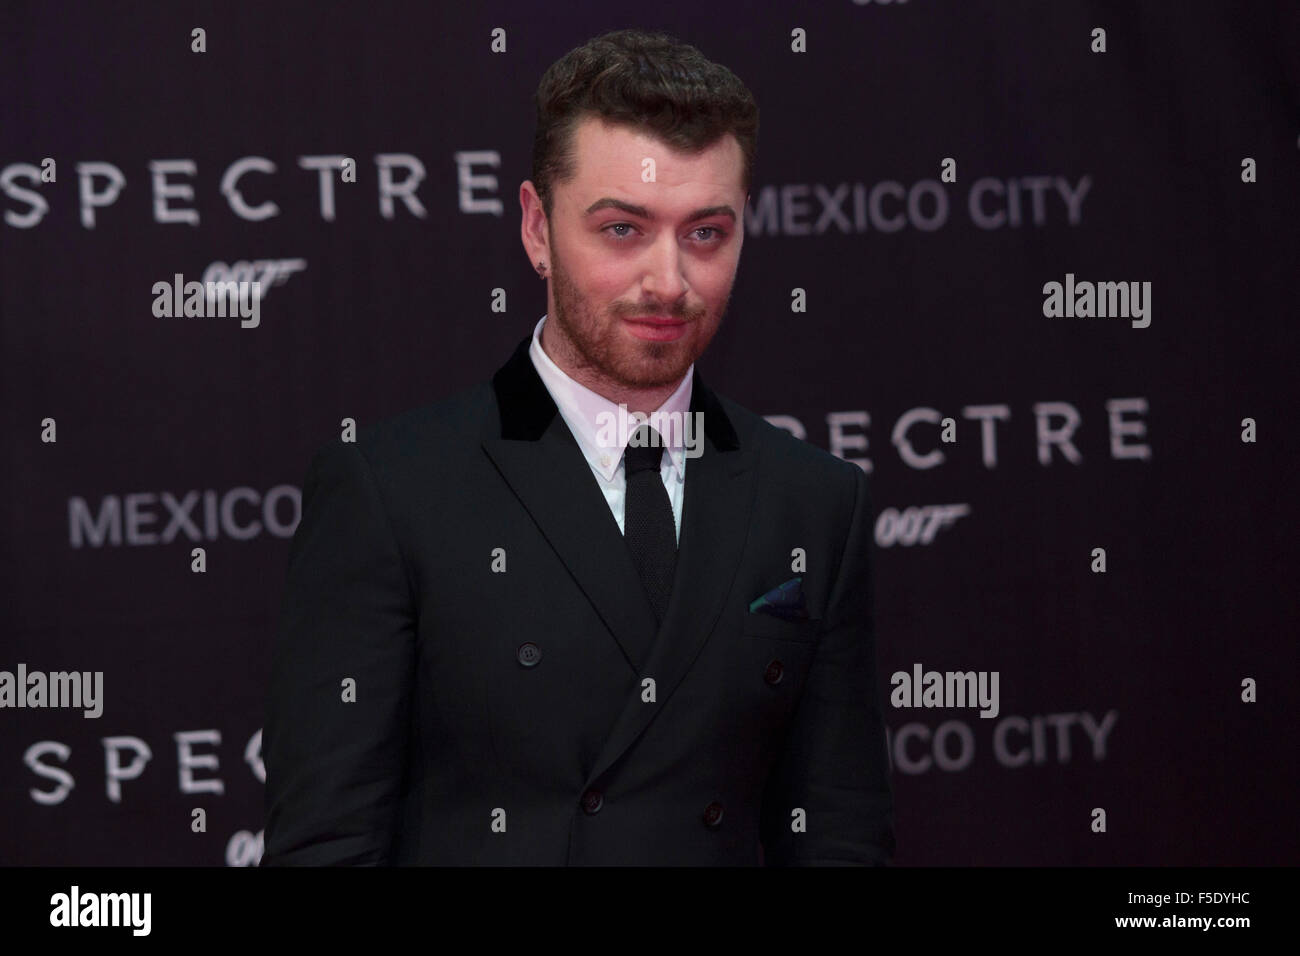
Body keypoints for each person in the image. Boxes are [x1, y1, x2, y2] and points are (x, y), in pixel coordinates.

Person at [262, 28, 893, 866]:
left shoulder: (814, 501)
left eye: (706, 232)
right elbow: (328, 845)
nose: (668, 281)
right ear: (536, 228)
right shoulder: (392, 493)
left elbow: (840, 835)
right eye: (623, 230)